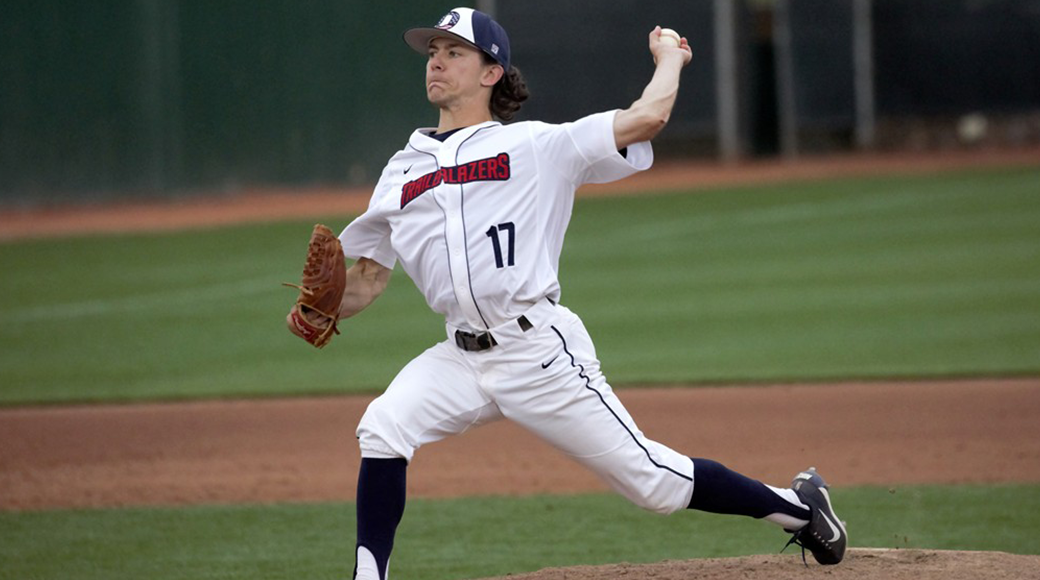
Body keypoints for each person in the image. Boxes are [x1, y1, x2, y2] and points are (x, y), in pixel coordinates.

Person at [323, 8, 846, 579]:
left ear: (491, 72)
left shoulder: (537, 147)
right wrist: (325, 304)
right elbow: (369, 279)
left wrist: (670, 59)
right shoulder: (402, 169)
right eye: (432, 53)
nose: (437, 62)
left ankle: (799, 507)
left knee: (652, 483)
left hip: (539, 353)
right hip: (459, 357)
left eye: (454, 53)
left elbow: (647, 118)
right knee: (384, 425)